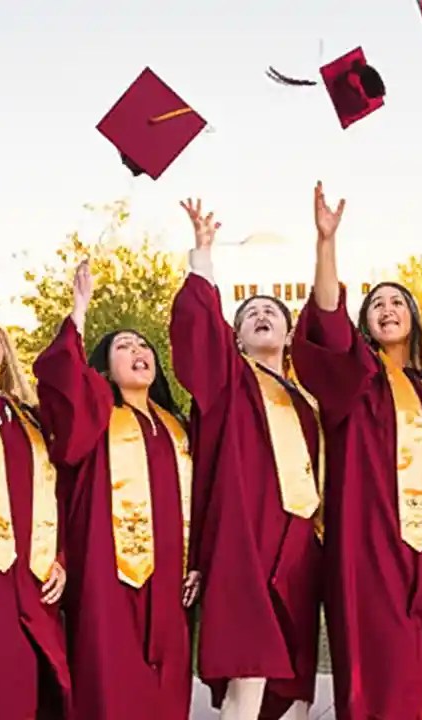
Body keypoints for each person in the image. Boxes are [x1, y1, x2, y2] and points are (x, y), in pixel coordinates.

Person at [290, 182, 422, 720]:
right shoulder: (356, 379)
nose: (387, 309)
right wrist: (326, 243)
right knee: (378, 672)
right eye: (377, 305)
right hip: (370, 550)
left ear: (414, 316)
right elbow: (327, 322)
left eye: (397, 302)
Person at [169, 199, 323, 720]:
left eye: (271, 313)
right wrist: (203, 258)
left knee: (296, 663)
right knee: (249, 662)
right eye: (250, 314)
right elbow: (199, 335)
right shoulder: (227, 382)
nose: (262, 316)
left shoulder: (308, 401)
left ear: (286, 333)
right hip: (245, 536)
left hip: (302, 537)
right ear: (234, 337)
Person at [33, 259, 197, 720]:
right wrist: (79, 312)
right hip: (105, 574)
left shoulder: (177, 428)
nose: (138, 349)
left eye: (144, 344)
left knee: (167, 688)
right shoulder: (96, 413)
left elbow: (201, 504)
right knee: (108, 684)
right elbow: (64, 386)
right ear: (104, 366)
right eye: (123, 346)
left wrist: (198, 561)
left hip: (170, 581)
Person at [0, 314, 71, 719]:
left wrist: (61, 560)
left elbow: (55, 494)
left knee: (30, 682)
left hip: (31, 575)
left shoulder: (30, 418)